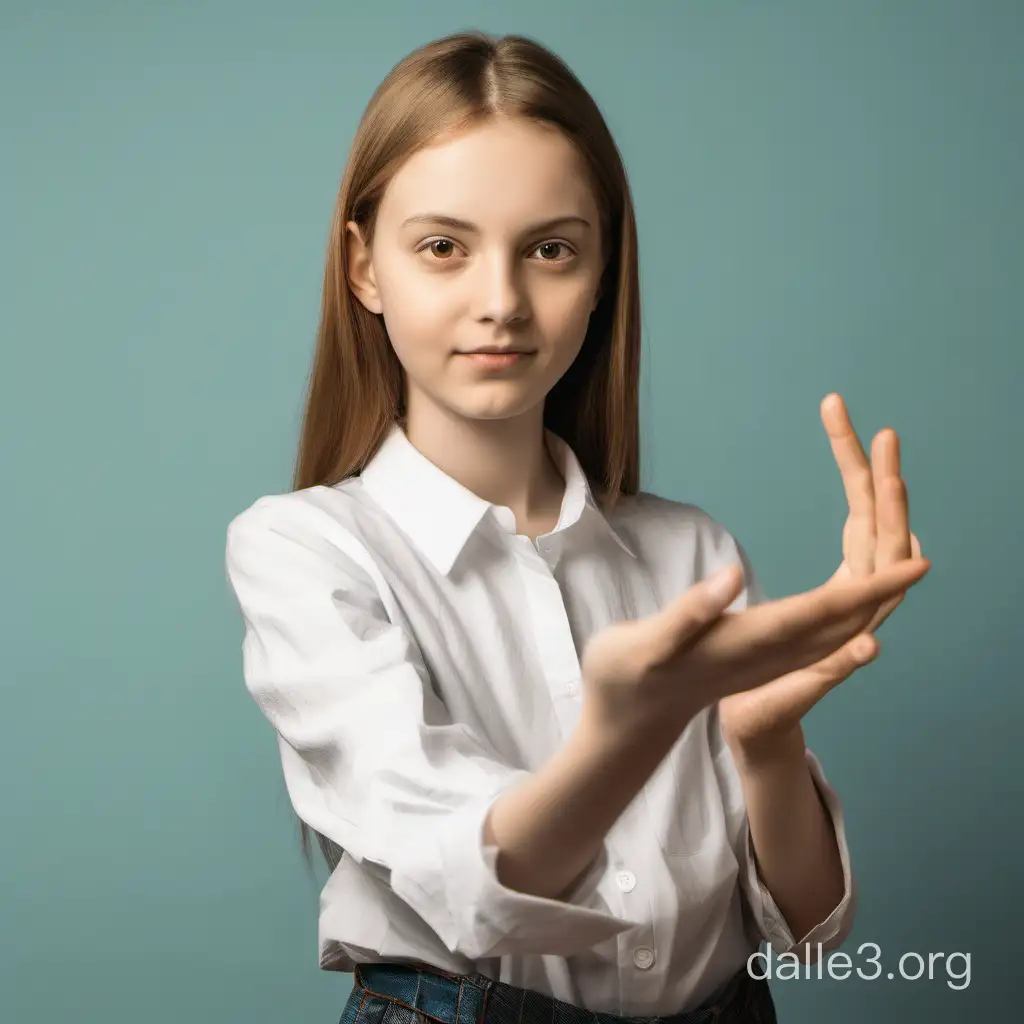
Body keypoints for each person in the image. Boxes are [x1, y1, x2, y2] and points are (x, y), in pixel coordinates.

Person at [224, 30, 929, 1024]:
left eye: (551, 249)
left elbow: (807, 930)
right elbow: (479, 887)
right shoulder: (307, 550)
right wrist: (626, 730)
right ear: (364, 268)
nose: (501, 301)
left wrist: (764, 741)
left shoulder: (694, 554)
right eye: (442, 248)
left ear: (602, 274)